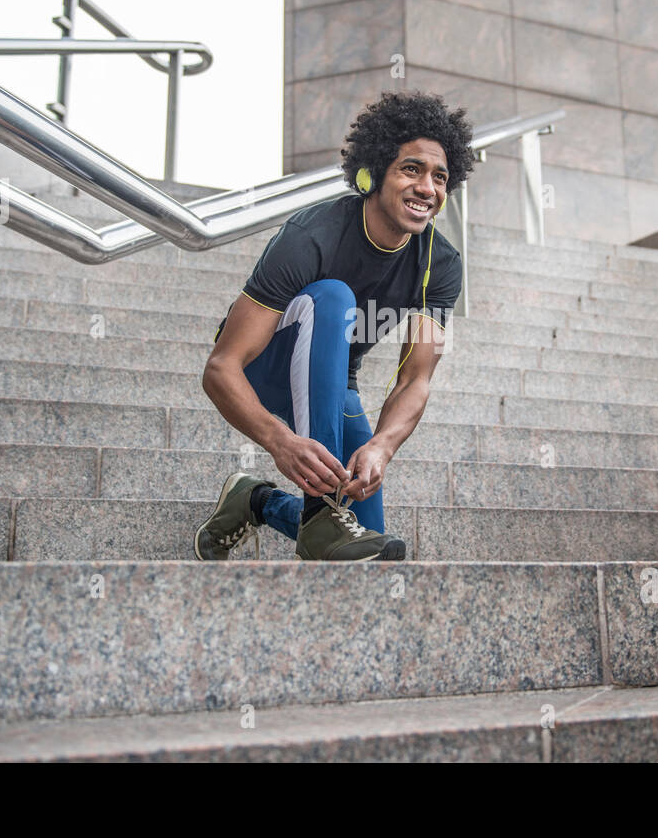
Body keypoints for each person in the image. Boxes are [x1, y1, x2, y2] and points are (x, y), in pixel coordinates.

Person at [195, 91, 474, 561]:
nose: (427, 187)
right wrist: (279, 440)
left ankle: (256, 502)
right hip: (264, 371)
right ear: (373, 174)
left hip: (333, 384)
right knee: (334, 296)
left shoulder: (441, 264)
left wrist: (382, 447)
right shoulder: (311, 236)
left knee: (372, 548)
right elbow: (221, 367)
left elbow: (415, 378)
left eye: (439, 177)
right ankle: (321, 514)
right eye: (411, 169)